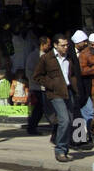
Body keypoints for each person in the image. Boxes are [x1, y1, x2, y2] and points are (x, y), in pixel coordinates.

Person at [37, 34, 74, 162]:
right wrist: (51, 84)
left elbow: (72, 74)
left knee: (70, 119)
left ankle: (63, 147)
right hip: (55, 93)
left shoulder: (69, 57)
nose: (65, 47)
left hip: (68, 91)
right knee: (64, 120)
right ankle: (60, 150)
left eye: (67, 45)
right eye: (63, 45)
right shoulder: (46, 58)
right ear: (55, 45)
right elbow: (37, 76)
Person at [25, 36, 49, 135]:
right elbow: (30, 72)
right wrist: (37, 82)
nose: (49, 46)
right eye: (48, 44)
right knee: (39, 108)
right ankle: (32, 127)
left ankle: (32, 126)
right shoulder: (35, 56)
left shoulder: (46, 55)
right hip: (37, 87)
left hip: (43, 86)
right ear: (43, 45)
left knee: (41, 107)